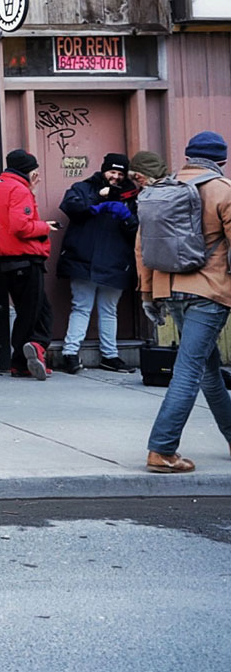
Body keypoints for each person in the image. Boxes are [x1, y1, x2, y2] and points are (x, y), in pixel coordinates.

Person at [139, 131, 231, 474]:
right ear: (220, 160)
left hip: (169, 290)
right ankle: (161, 449)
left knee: (207, 370)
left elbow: (142, 247)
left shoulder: (161, 189)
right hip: (208, 294)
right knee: (189, 371)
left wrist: (149, 293)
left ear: (188, 157)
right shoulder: (223, 190)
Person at [58, 152, 139, 375]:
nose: (115, 177)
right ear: (103, 170)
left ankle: (110, 355)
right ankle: (70, 354)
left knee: (108, 310)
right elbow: (70, 207)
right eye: (112, 172)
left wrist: (126, 216)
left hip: (115, 262)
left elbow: (137, 230)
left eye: (120, 173)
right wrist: (99, 200)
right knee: (81, 307)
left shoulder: (131, 196)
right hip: (84, 260)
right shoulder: (85, 187)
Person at [0, 149, 55, 381]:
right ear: (28, 170)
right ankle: (27, 354)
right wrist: (45, 227)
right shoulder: (19, 189)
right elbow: (21, 226)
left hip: (2, 259)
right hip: (26, 257)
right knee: (32, 312)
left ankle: (29, 353)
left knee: (36, 309)